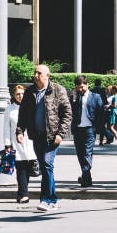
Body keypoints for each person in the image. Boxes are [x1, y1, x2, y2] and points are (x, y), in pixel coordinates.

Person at [16, 64, 72, 212]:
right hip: (36, 136)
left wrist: (61, 133)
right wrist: (20, 131)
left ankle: (47, 200)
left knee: (47, 164)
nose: (35, 75)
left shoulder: (57, 90)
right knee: (46, 167)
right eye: (34, 72)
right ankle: (51, 199)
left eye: (39, 73)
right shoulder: (30, 92)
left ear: (47, 75)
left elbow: (67, 114)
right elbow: (23, 114)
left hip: (52, 136)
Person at [70, 75, 105, 187]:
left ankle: (85, 176)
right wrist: (74, 98)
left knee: (87, 153)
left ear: (87, 84)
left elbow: (101, 113)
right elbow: (70, 111)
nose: (80, 89)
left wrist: (99, 128)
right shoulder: (75, 97)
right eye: (78, 87)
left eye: (82, 87)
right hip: (77, 129)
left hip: (90, 129)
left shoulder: (96, 96)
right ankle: (87, 177)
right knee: (80, 154)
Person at [5, 85, 36, 203]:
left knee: (28, 168)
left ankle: (21, 192)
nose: (20, 96)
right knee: (20, 167)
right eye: (18, 94)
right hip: (16, 142)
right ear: (14, 95)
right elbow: (6, 128)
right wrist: (7, 144)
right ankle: (24, 194)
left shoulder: (31, 107)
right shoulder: (9, 109)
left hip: (30, 142)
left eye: (22, 93)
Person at [92, 79, 108, 144]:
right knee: (102, 126)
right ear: (100, 83)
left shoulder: (92, 90)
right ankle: (101, 141)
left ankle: (93, 140)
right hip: (101, 110)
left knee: (93, 126)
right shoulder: (102, 90)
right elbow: (105, 100)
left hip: (94, 111)